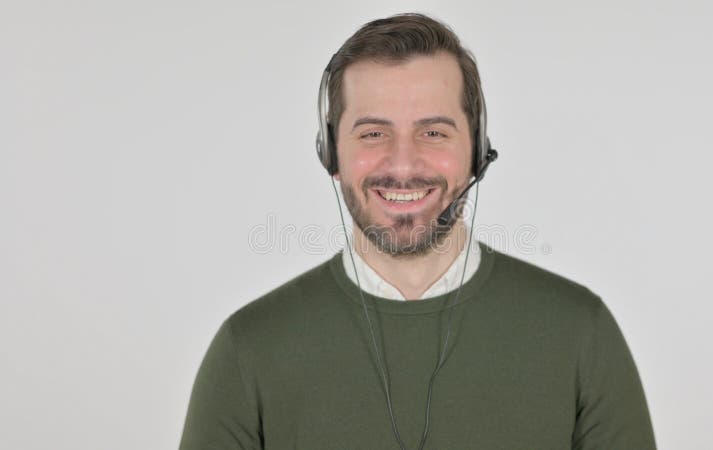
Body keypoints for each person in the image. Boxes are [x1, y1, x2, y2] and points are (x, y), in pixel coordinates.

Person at [179, 13, 656, 450]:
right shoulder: (248, 351)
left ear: (476, 149)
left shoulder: (580, 334)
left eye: (433, 132)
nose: (403, 164)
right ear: (331, 154)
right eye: (372, 133)